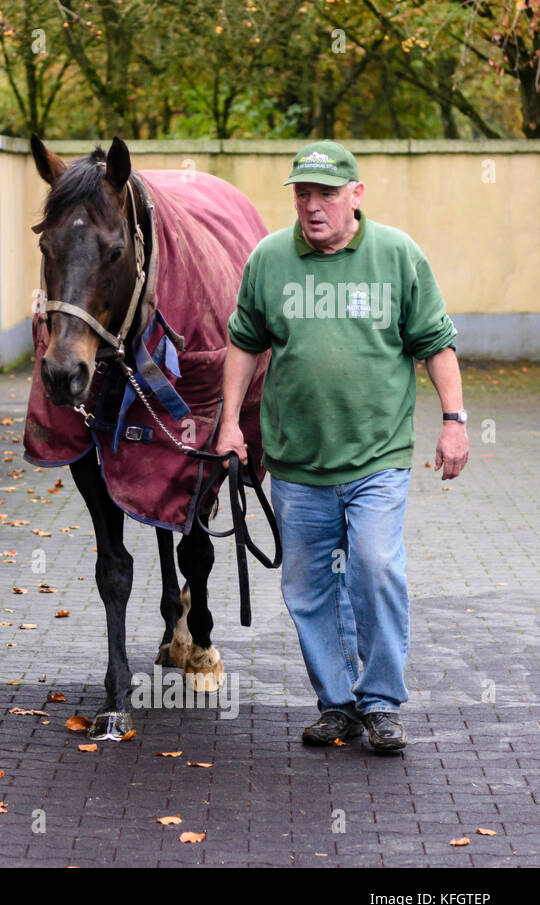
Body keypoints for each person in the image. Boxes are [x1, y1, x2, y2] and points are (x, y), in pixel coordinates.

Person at [216, 141, 469, 753]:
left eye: (326, 193)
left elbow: (435, 342)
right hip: (297, 463)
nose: (312, 205)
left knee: (375, 567)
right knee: (306, 589)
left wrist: (455, 420)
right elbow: (244, 344)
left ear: (356, 195)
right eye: (302, 193)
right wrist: (229, 424)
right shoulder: (269, 259)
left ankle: (381, 702)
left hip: (376, 456)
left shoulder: (397, 255)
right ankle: (337, 704)